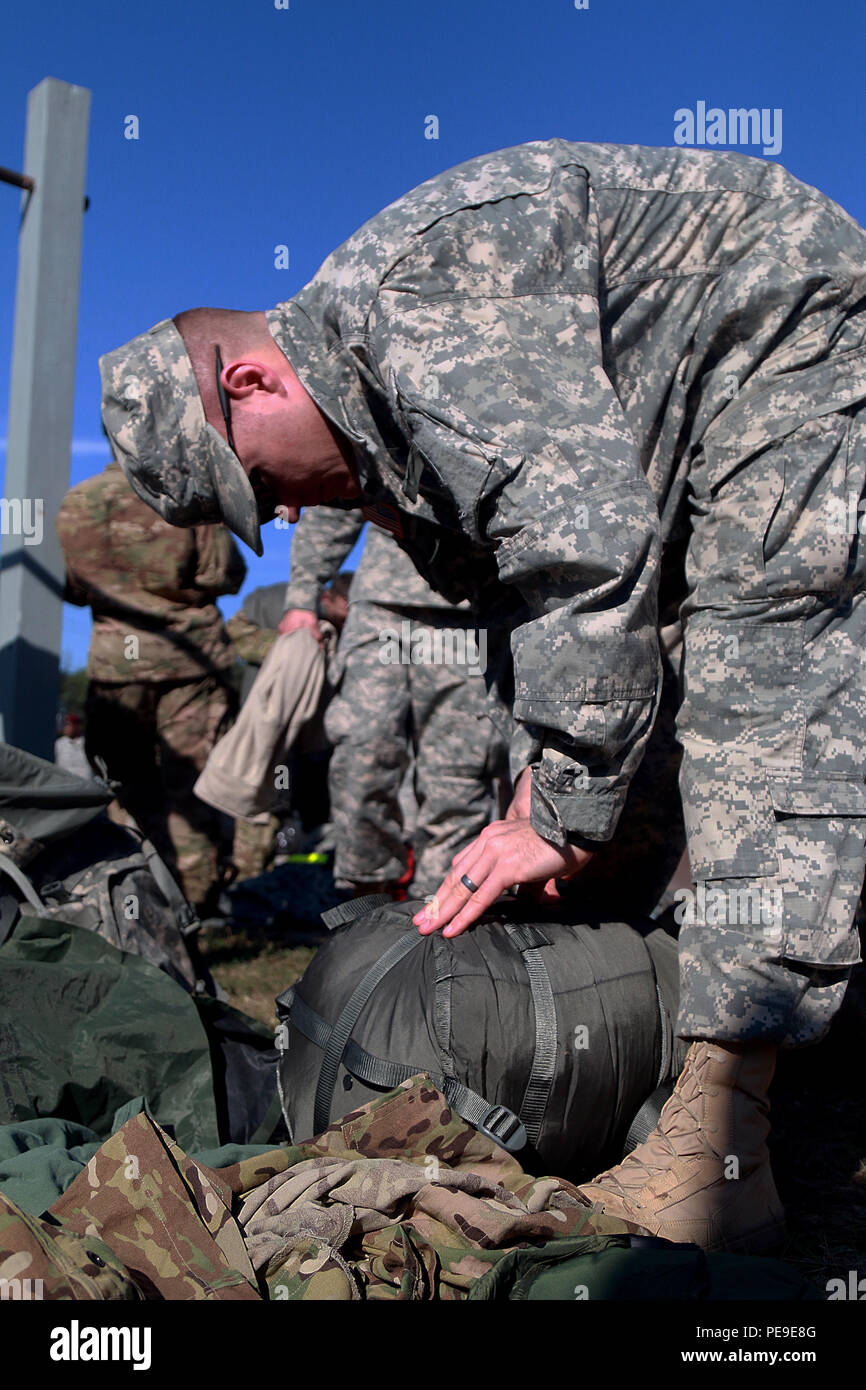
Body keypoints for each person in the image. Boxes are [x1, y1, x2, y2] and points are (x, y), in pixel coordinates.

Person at [99, 139, 866, 1252]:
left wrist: (560, 809)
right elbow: (543, 622)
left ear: (251, 380)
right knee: (629, 772)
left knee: (760, 673)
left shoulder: (410, 309)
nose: (272, 520)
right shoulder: (384, 427)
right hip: (675, 424)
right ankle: (714, 1078)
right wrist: (545, 806)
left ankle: (720, 1151)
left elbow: (583, 552)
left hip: (783, 328)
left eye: (254, 483)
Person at [282, 507, 510, 898]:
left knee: (457, 776)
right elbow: (337, 497)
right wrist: (302, 597)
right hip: (382, 604)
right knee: (362, 752)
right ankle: (369, 904)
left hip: (469, 611)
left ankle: (436, 918)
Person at [56, 457, 246, 915]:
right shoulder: (185, 493)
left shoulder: (80, 500)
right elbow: (224, 573)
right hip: (190, 659)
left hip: (117, 662)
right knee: (193, 789)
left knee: (125, 787)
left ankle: (137, 905)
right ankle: (196, 910)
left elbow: (71, 585)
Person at [208, 574, 351, 879]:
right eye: (345, 608)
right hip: (268, 723)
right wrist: (292, 650)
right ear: (328, 599)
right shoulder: (279, 601)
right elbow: (235, 632)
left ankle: (287, 879)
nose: (348, 617)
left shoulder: (349, 626)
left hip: (313, 741)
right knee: (258, 802)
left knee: (300, 808)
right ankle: (250, 884)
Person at [53, 712, 94, 781]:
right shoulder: (59, 743)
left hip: (85, 785)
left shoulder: (89, 743)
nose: (65, 727)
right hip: (65, 784)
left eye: (68, 724)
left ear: (78, 726)